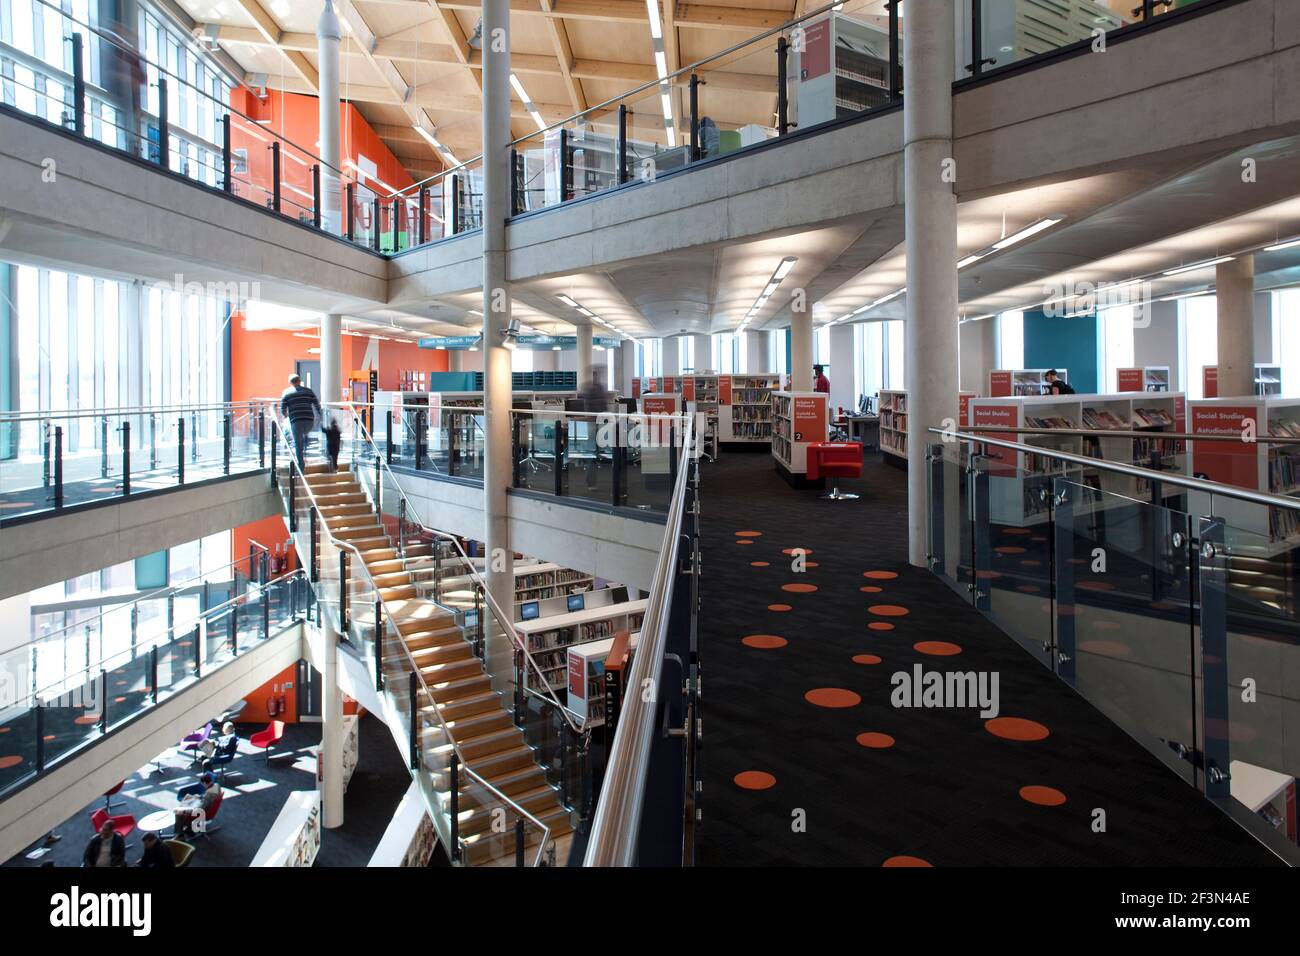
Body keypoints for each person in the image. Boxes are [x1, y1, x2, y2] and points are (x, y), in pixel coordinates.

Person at [280, 374, 321, 468]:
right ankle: (305, 446)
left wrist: (286, 415)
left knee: (297, 443)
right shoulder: (308, 391)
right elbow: (316, 404)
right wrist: (319, 414)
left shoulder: (286, 393)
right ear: (299, 381)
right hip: (309, 420)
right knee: (303, 436)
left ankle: (301, 466)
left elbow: (283, 408)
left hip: (296, 420)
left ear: (290, 383)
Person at [174, 772, 221, 839]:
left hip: (203, 812)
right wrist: (199, 797)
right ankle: (189, 828)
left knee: (178, 812)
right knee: (190, 798)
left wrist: (184, 811)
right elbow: (209, 799)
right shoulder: (216, 785)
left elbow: (198, 810)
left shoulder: (208, 795)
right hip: (208, 806)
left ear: (205, 783)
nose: (203, 786)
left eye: (202, 784)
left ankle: (180, 835)